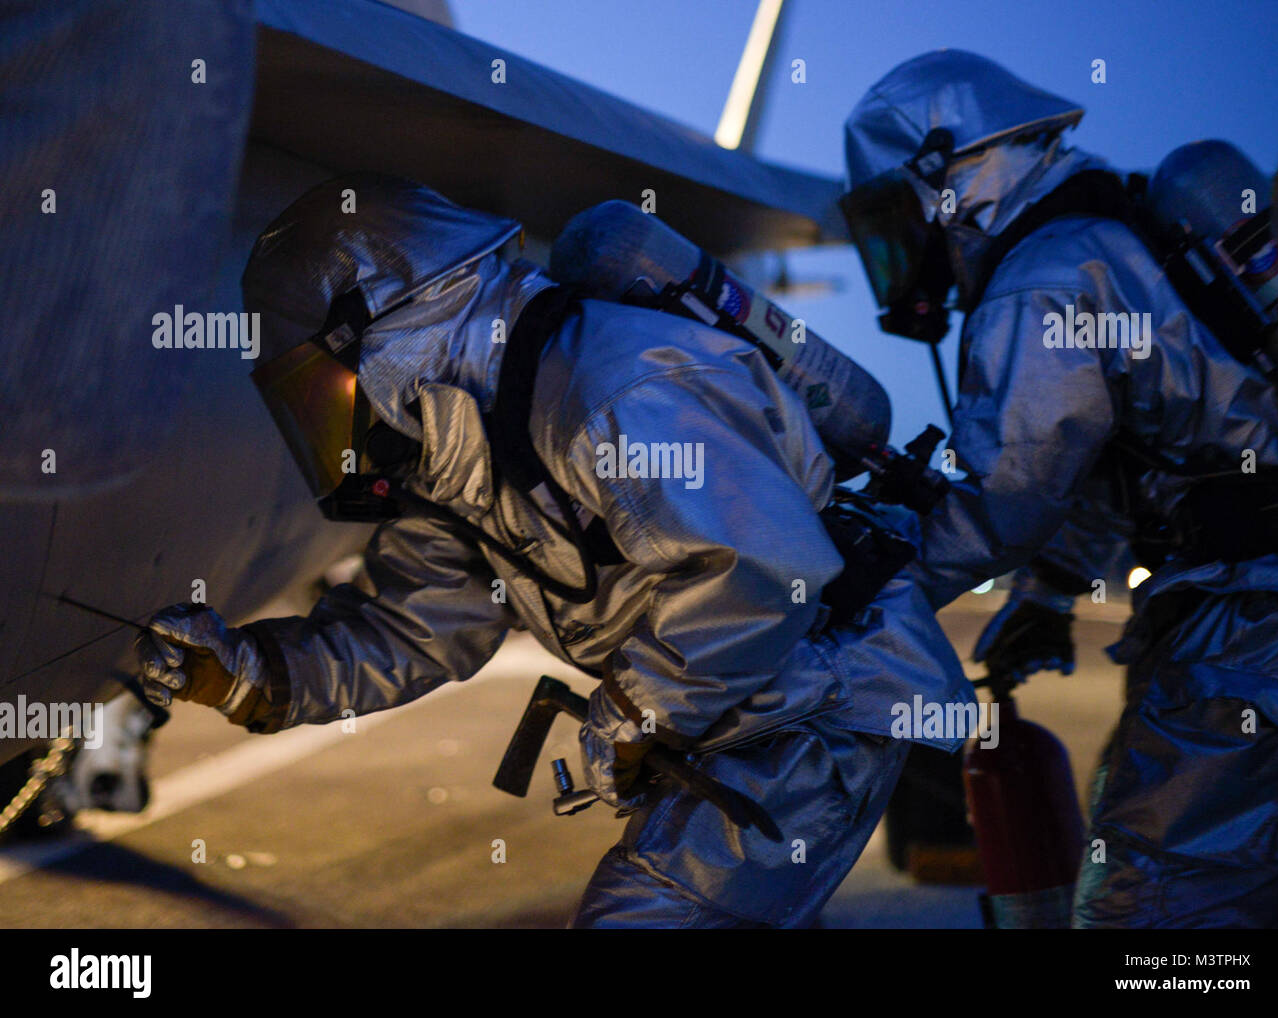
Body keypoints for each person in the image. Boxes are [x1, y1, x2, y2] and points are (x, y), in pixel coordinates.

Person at [134, 174, 971, 928]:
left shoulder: (620, 387)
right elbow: (418, 628)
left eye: (331, 388)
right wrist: (251, 671)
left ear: (398, 334)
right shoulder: (463, 454)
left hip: (817, 694)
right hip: (730, 709)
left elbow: (761, 570)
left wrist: (644, 705)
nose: (335, 423)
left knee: (650, 918)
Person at [843, 50, 1278, 927]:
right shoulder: (1110, 236)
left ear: (953, 171)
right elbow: (1120, 464)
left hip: (1249, 627)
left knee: (1150, 909)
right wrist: (1050, 594)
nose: (904, 243)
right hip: (1260, 606)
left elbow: (1009, 492)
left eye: (900, 210)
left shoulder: (1043, 275)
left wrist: (860, 591)